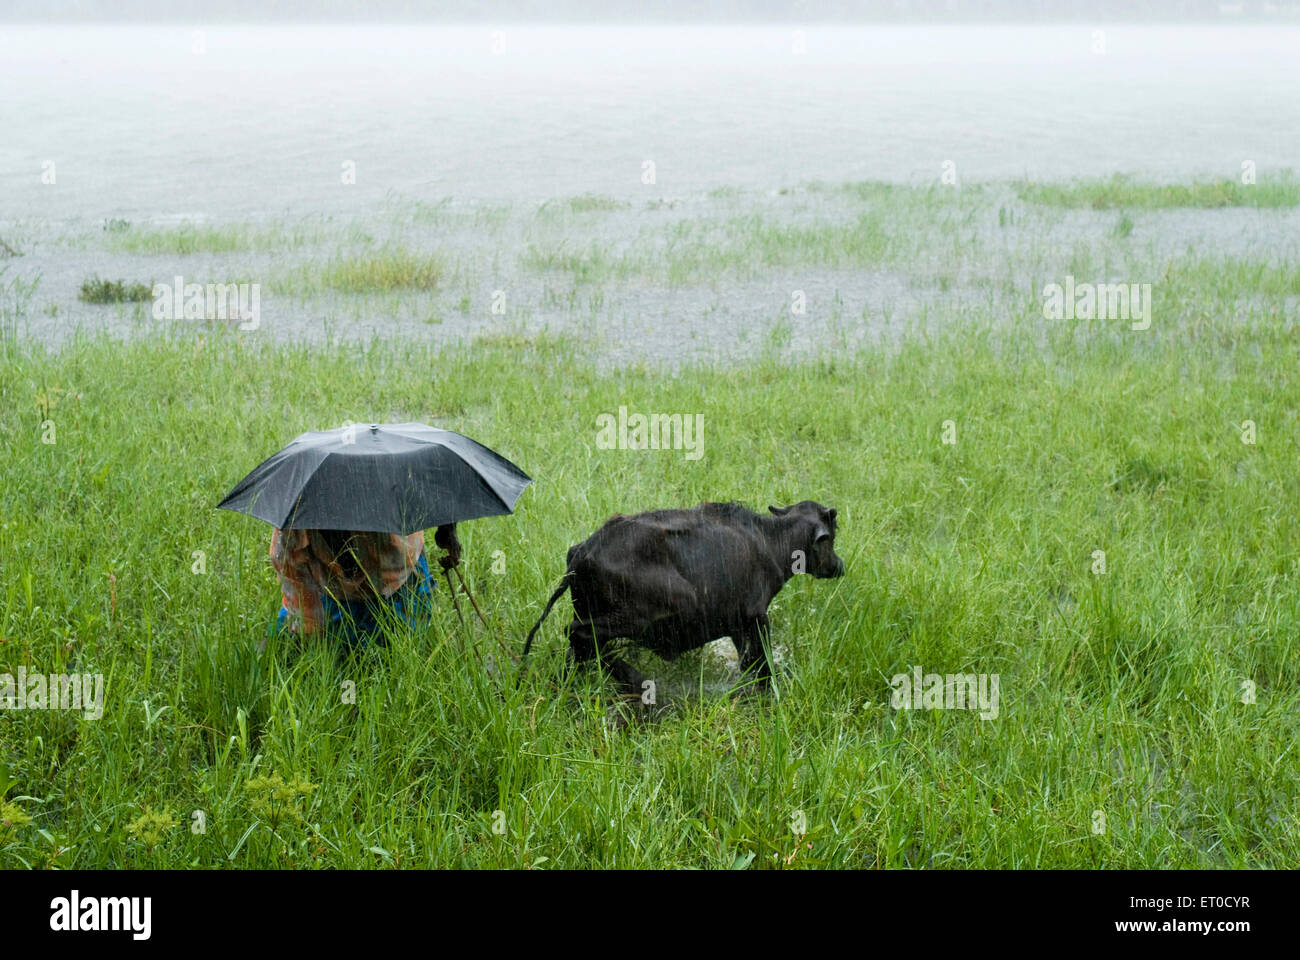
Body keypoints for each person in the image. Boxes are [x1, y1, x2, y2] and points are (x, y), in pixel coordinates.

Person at [265, 523, 461, 646]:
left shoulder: (393, 538)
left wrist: (447, 526)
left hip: (396, 578)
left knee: (402, 641)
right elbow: (302, 608)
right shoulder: (290, 536)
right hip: (329, 588)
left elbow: (429, 478)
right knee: (289, 640)